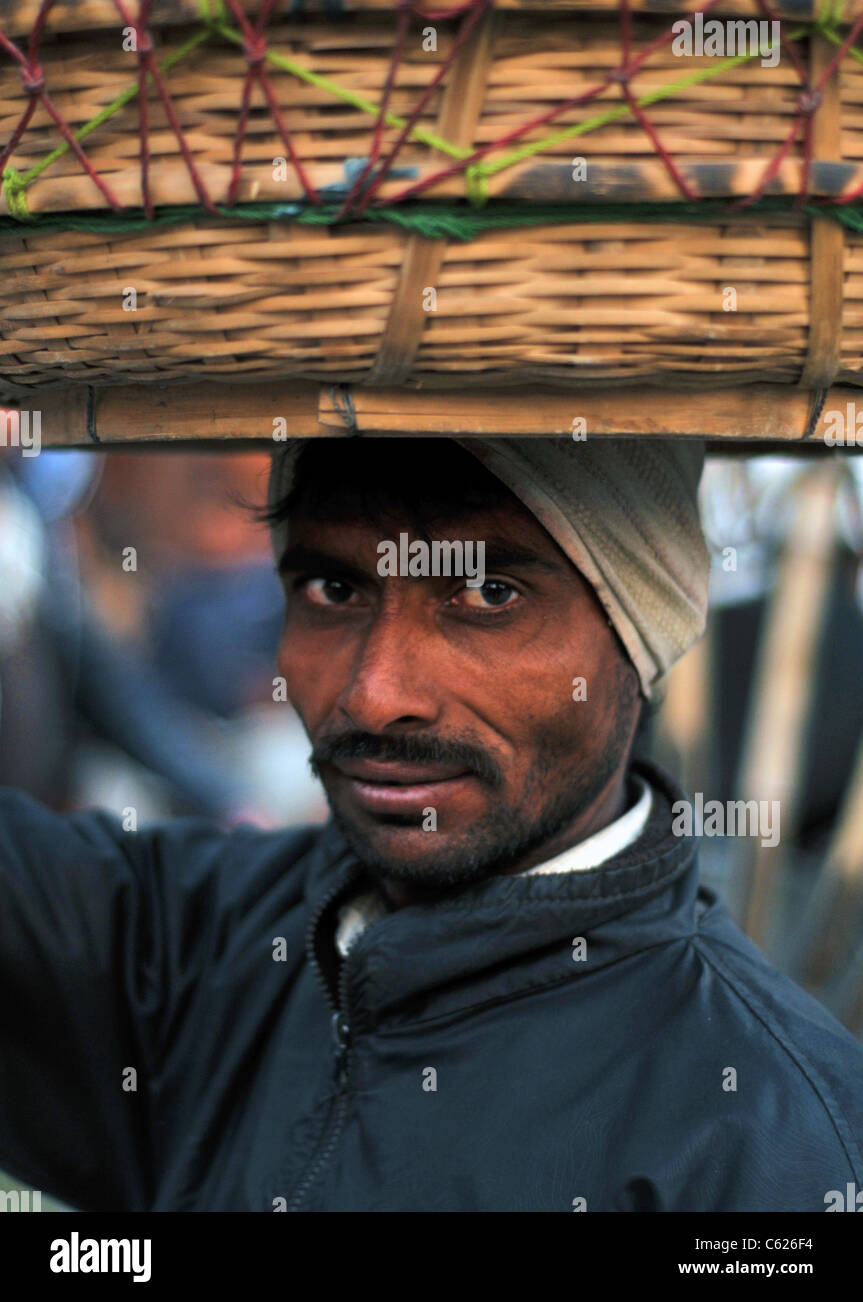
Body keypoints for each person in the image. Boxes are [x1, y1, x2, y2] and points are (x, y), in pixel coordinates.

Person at [1, 434, 861, 1213]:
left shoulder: (772, 1142)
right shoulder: (182, 940)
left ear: (643, 635)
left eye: (488, 593)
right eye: (333, 588)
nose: (375, 693)